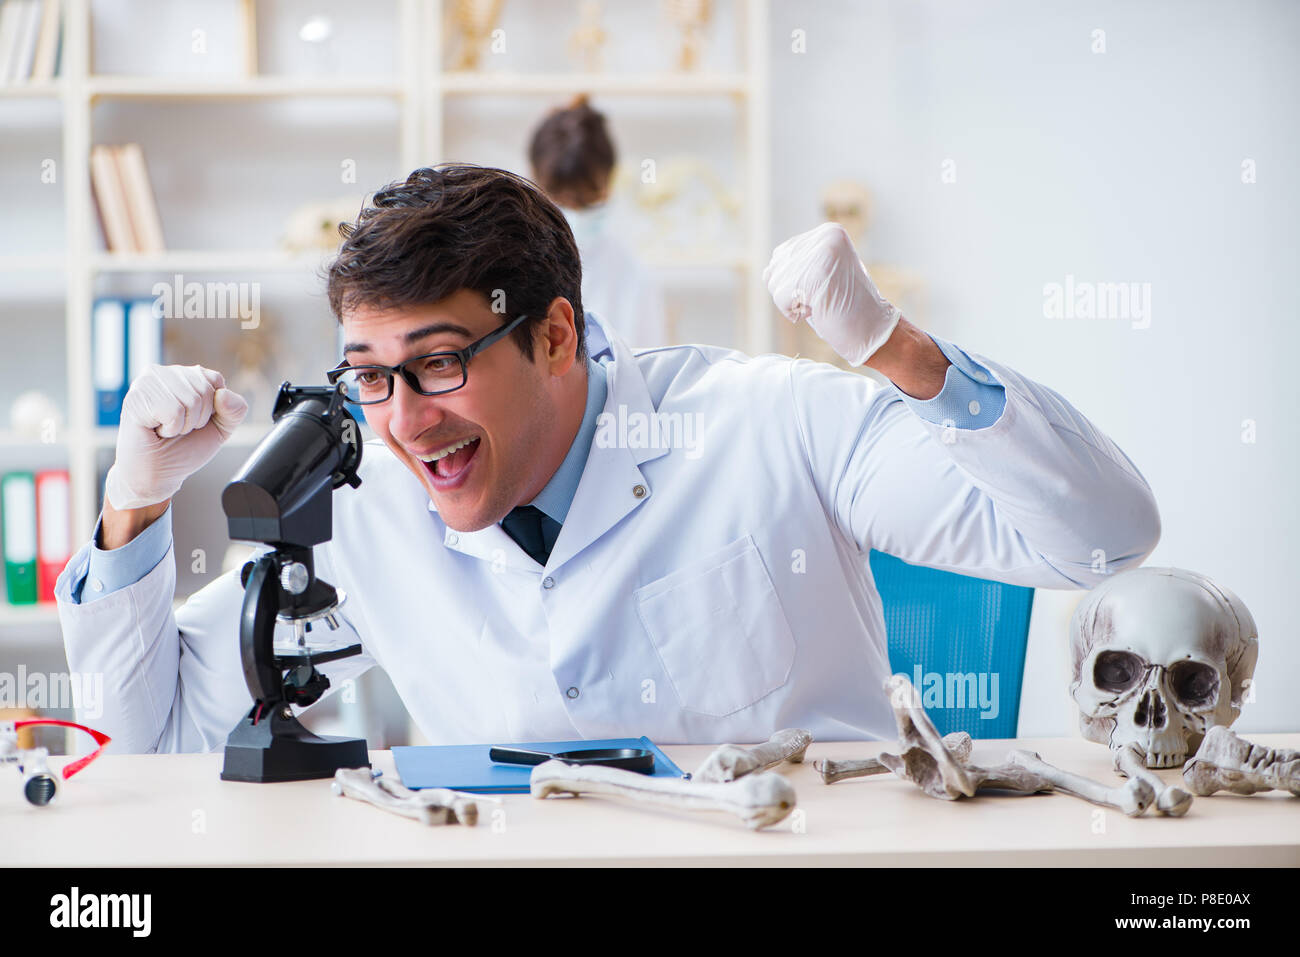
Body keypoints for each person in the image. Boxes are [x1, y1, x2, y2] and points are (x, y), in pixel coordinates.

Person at [55, 164, 1160, 752]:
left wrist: (898, 352)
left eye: (439, 365)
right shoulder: (375, 512)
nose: (405, 421)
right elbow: (149, 735)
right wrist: (134, 506)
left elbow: (1102, 539)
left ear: (553, 334)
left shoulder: (768, 423)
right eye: (371, 375)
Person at [528, 95, 668, 349]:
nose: (576, 212)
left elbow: (646, 369)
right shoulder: (512, 268)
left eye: (587, 200)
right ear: (534, 182)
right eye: (563, 200)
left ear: (610, 183)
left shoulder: (632, 276)